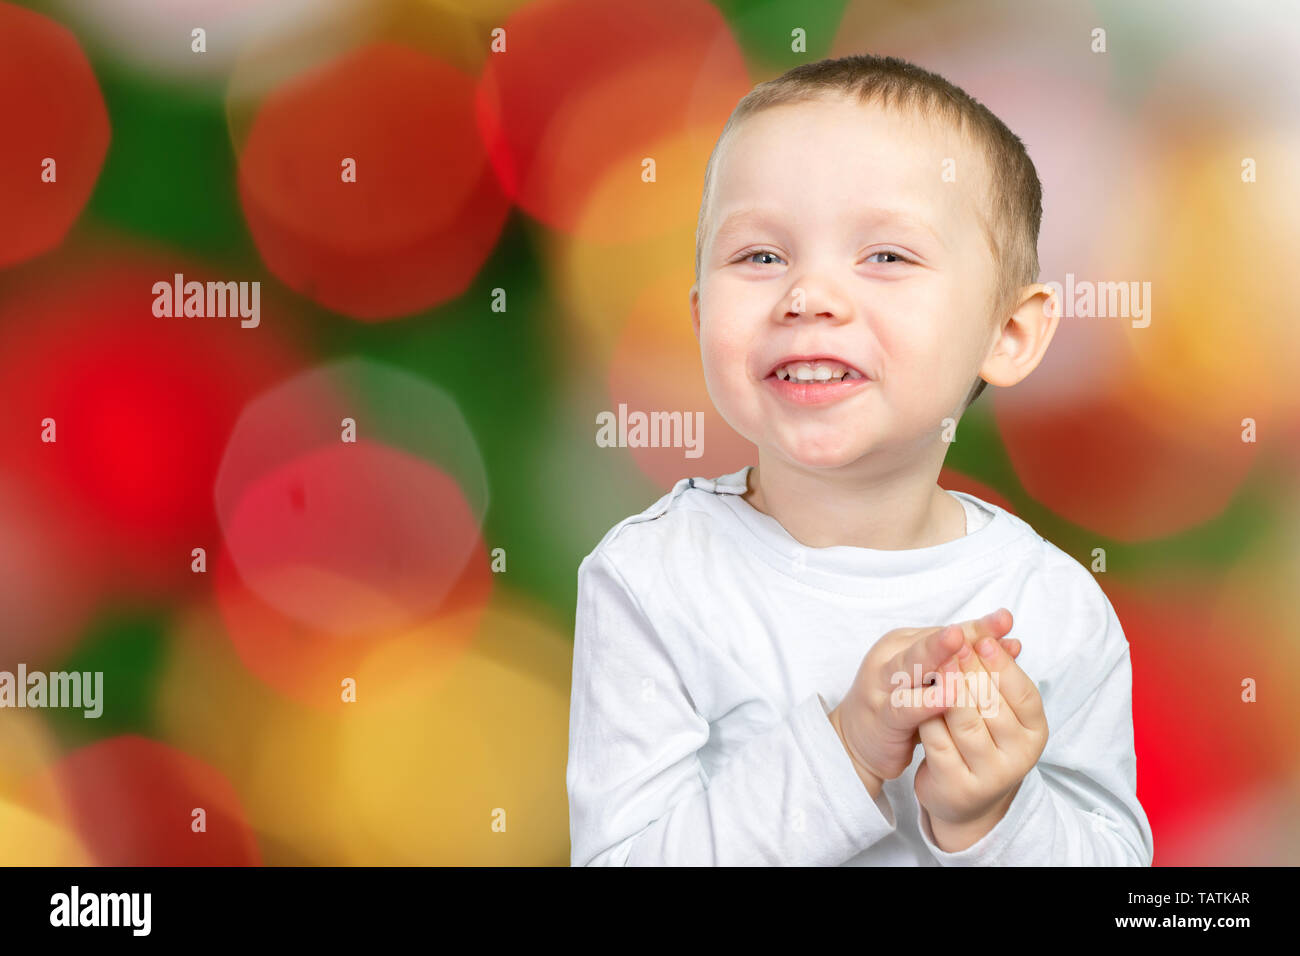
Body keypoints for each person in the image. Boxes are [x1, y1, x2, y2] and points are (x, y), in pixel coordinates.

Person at [567, 54, 1153, 866]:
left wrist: (991, 816)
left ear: (1008, 334)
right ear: (702, 318)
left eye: (885, 256)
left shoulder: (1049, 605)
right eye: (761, 257)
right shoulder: (653, 579)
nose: (808, 295)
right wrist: (843, 752)